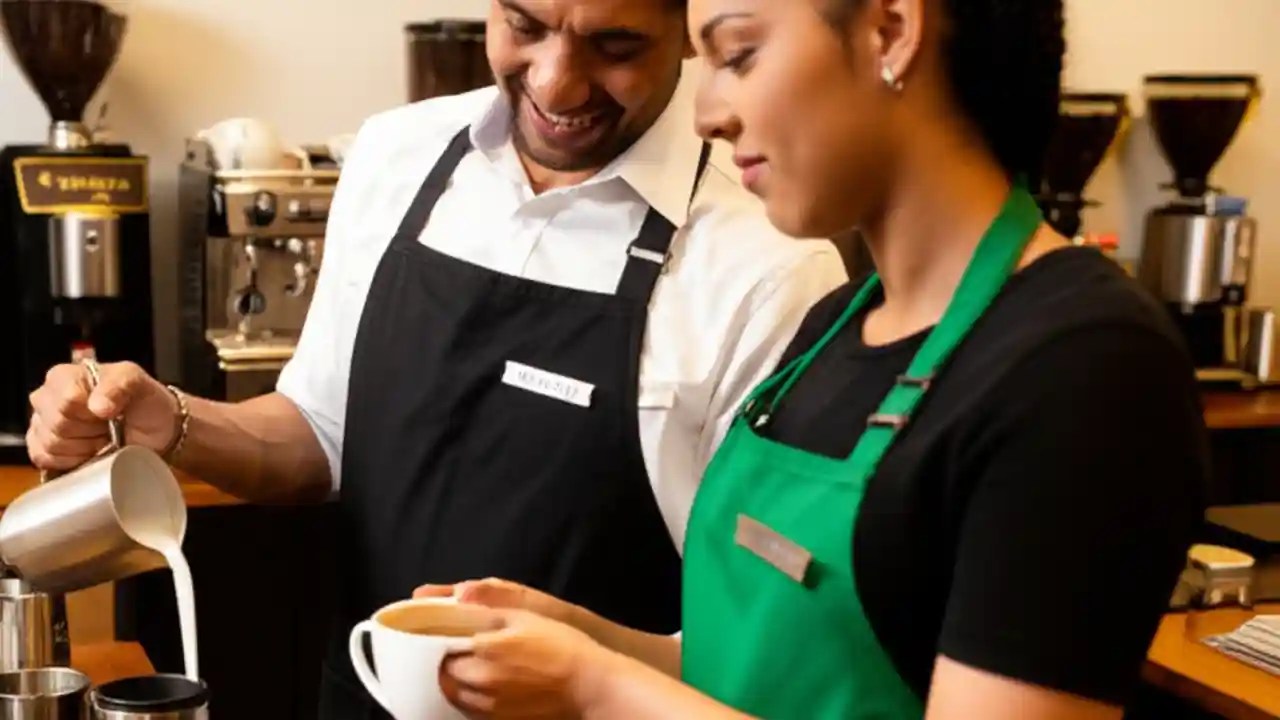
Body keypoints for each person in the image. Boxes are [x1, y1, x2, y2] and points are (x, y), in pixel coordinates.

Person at [22, 0, 847, 716]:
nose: (558, 83)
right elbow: (318, 435)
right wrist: (176, 424)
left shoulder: (768, 263)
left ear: (689, 29)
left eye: (616, 46)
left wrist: (588, 667)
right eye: (524, 25)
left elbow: (769, 648)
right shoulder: (398, 154)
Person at [411, 0, 1211, 717]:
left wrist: (596, 688)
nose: (708, 114)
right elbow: (754, 676)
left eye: (737, 55)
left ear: (891, 32)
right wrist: (585, 642)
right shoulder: (838, 323)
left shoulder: (1083, 368)